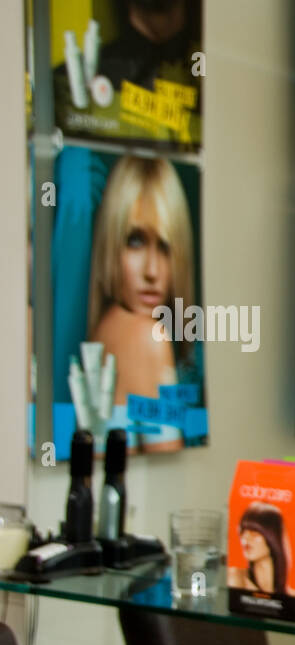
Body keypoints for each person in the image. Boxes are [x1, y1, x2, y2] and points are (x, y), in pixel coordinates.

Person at [87, 154, 196, 453]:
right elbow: (173, 477)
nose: (151, 270)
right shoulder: (147, 337)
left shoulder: (106, 328)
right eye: (135, 241)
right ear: (111, 243)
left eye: (164, 246)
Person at [226, 502, 295, 597]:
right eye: (243, 531)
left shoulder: (293, 594)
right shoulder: (237, 579)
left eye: (254, 533)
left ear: (272, 538)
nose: (245, 539)